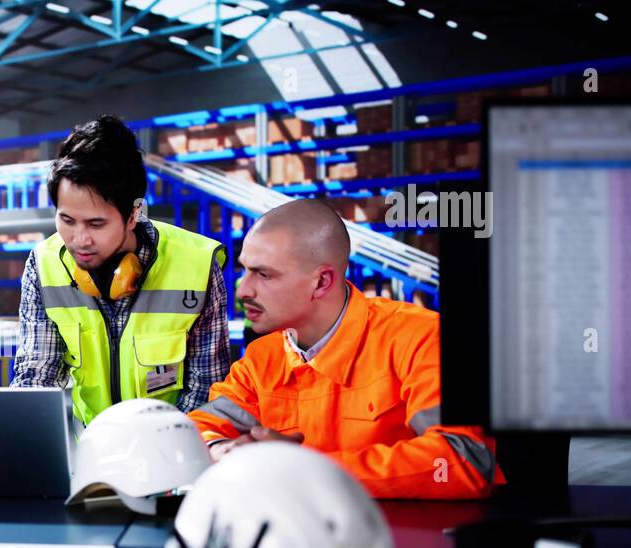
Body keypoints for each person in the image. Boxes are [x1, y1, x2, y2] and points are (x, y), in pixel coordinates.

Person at [188, 199, 502, 499]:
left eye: (264, 274)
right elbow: (199, 429)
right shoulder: (261, 361)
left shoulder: (419, 338)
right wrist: (221, 450)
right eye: (245, 270)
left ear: (322, 282)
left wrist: (309, 471)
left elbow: (463, 460)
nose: (243, 290)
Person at [10, 115, 232, 427]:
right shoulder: (43, 264)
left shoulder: (197, 265)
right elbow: (36, 376)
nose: (79, 240)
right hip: (93, 454)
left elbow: (206, 388)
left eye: (96, 224)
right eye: (67, 220)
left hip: (173, 452)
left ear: (133, 214)